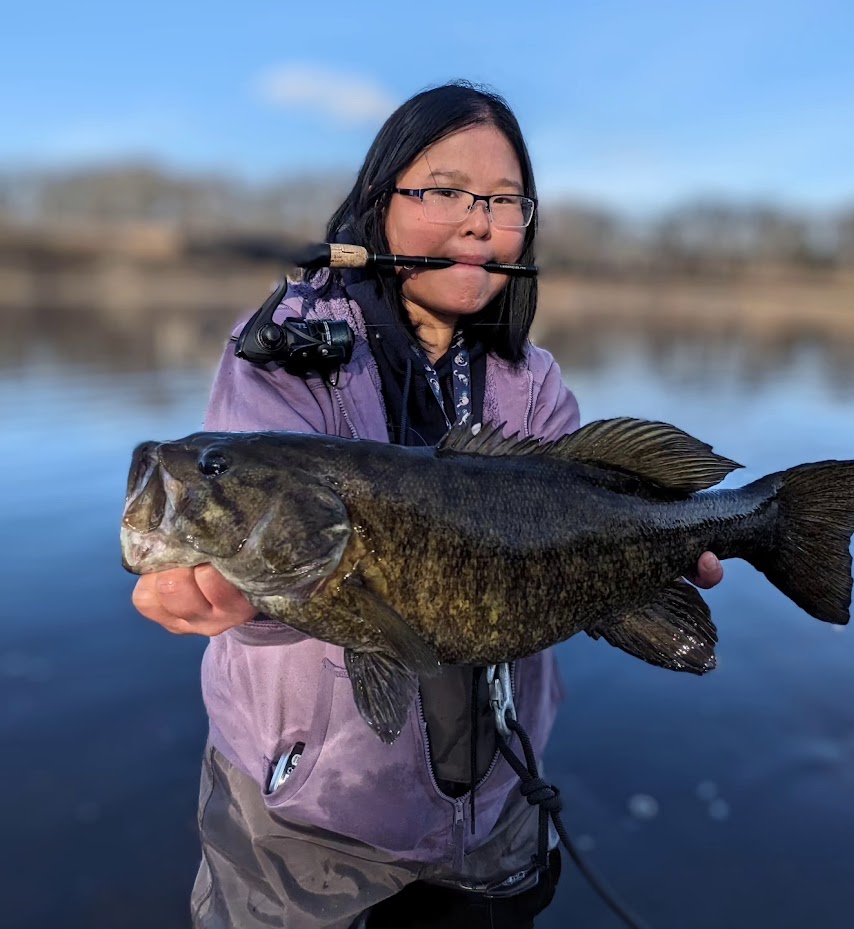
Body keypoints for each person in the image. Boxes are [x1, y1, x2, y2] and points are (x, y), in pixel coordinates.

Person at [131, 80, 724, 929]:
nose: (478, 221)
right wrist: (231, 600)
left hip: (493, 804)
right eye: (443, 191)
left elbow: (575, 534)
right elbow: (270, 574)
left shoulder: (536, 383)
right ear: (378, 202)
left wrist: (656, 553)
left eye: (505, 200)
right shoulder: (288, 350)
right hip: (309, 819)